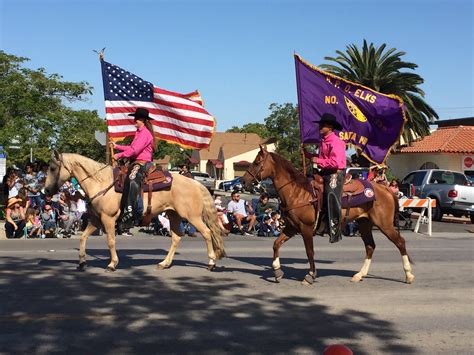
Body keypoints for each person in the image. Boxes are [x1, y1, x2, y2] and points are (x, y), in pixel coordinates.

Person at [304, 113, 346, 243]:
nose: (320, 127)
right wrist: (307, 154)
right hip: (325, 172)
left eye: (323, 125)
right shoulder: (323, 141)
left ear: (330, 127)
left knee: (330, 195)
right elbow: (321, 158)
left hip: (335, 173)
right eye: (320, 125)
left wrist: (318, 160)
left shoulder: (336, 142)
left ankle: (334, 229)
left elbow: (336, 162)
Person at [111, 107, 157, 225]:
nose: (134, 120)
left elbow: (135, 150)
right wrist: (117, 146)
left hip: (142, 162)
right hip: (136, 161)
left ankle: (130, 211)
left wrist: (119, 155)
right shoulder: (139, 133)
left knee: (132, 179)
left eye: (136, 118)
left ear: (141, 119)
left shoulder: (145, 133)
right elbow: (131, 148)